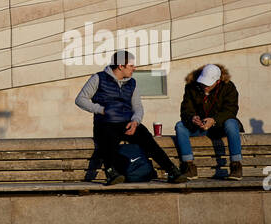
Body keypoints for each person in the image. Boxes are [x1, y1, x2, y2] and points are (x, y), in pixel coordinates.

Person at [74, 50, 187, 185]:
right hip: (105, 122)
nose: (134, 68)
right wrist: (101, 110)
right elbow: (80, 99)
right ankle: (111, 173)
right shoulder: (98, 78)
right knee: (107, 139)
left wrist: (135, 121)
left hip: (127, 123)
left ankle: (172, 170)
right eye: (131, 65)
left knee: (147, 139)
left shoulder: (132, 83)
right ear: (121, 66)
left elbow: (138, 107)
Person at [174, 62, 244, 179]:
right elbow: (186, 110)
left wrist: (214, 120)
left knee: (231, 123)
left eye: (208, 84)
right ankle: (188, 165)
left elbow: (231, 110)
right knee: (180, 126)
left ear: (218, 81)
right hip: (199, 126)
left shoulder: (228, 87)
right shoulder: (191, 87)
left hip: (220, 126)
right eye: (203, 83)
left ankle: (236, 165)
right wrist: (192, 118)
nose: (205, 86)